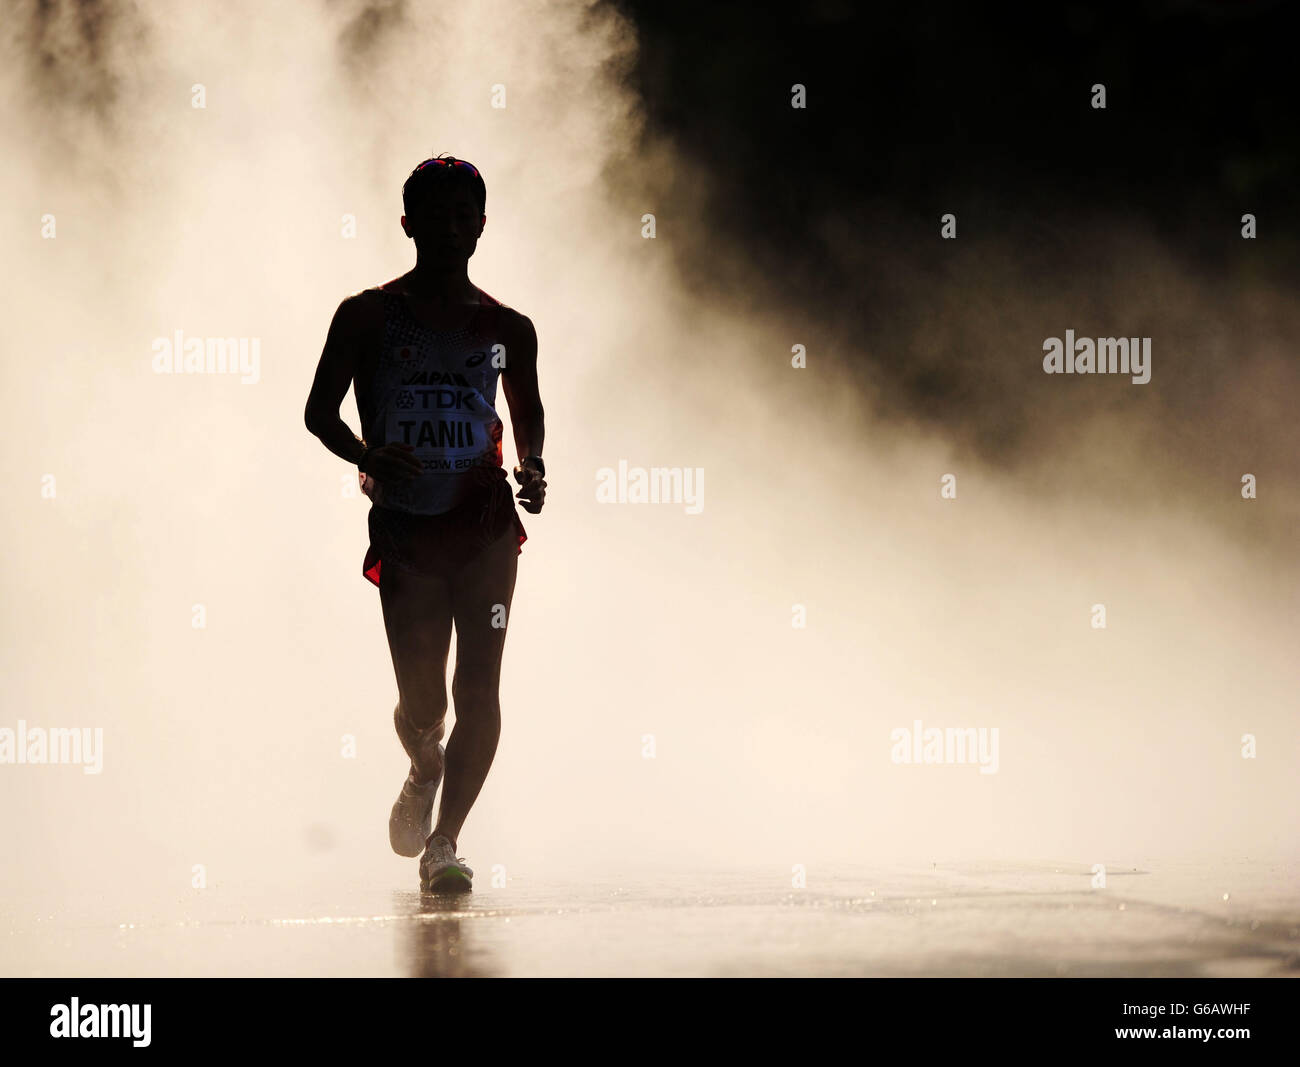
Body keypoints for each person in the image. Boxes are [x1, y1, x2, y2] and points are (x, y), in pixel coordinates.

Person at [304, 155, 546, 892]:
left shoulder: (506, 326)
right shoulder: (367, 315)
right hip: (408, 530)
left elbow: (528, 415)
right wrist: (367, 451)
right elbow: (319, 412)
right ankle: (421, 765)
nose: (447, 228)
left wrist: (532, 466)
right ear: (407, 224)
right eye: (432, 215)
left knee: (480, 688)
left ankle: (445, 842)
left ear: (480, 225)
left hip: (484, 525)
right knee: (424, 704)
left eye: (460, 215)